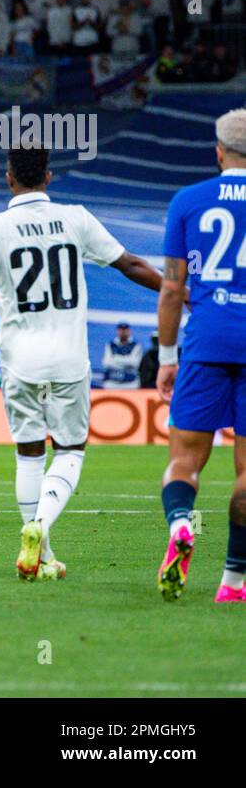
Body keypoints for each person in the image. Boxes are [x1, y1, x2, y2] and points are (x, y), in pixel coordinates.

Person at [0, 145, 160, 581]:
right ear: (49, 177)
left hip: (19, 359)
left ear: (8, 178)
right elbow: (130, 264)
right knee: (71, 450)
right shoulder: (76, 217)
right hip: (68, 359)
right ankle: (40, 533)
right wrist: (180, 293)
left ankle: (38, 551)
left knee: (28, 454)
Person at [155, 109, 246, 603]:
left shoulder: (189, 201)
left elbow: (172, 289)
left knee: (184, 461)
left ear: (218, 152)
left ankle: (182, 523)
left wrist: (167, 356)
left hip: (205, 343)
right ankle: (233, 582)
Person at [101, 322, 142, 389]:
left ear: (129, 331)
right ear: (117, 331)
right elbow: (106, 362)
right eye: (121, 330)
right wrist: (126, 360)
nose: (123, 332)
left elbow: (135, 363)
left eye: (125, 330)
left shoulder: (136, 345)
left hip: (130, 383)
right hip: (112, 382)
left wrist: (115, 358)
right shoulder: (111, 345)